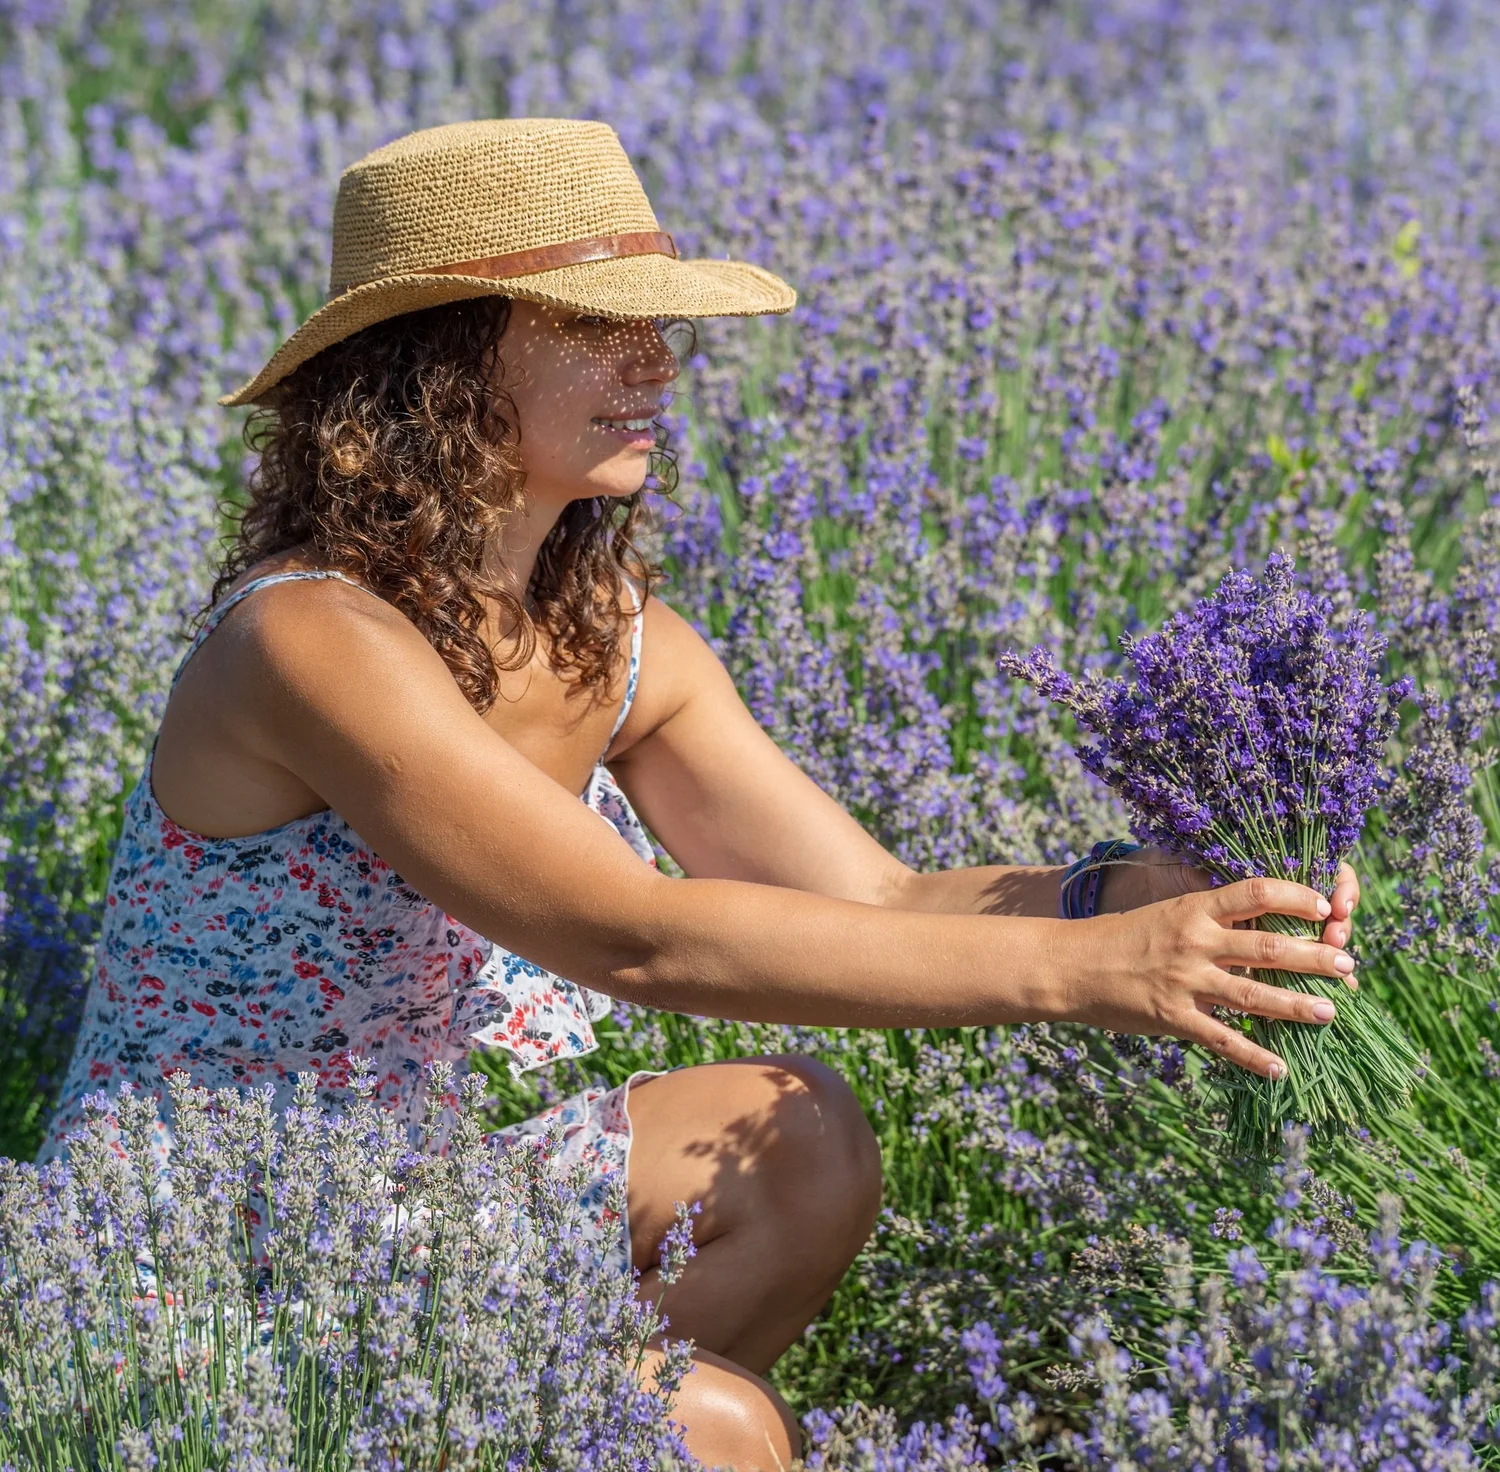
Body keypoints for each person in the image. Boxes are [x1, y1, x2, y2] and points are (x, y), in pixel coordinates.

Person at [35, 119, 1362, 1468]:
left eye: (658, 325)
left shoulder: (607, 638)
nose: (656, 362)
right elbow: (636, 935)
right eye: (602, 324)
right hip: (205, 1249)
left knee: (799, 1139)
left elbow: (881, 897)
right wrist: (1093, 972)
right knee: (710, 1427)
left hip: (416, 1203)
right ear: (442, 359)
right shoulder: (308, 640)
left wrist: (1155, 896)